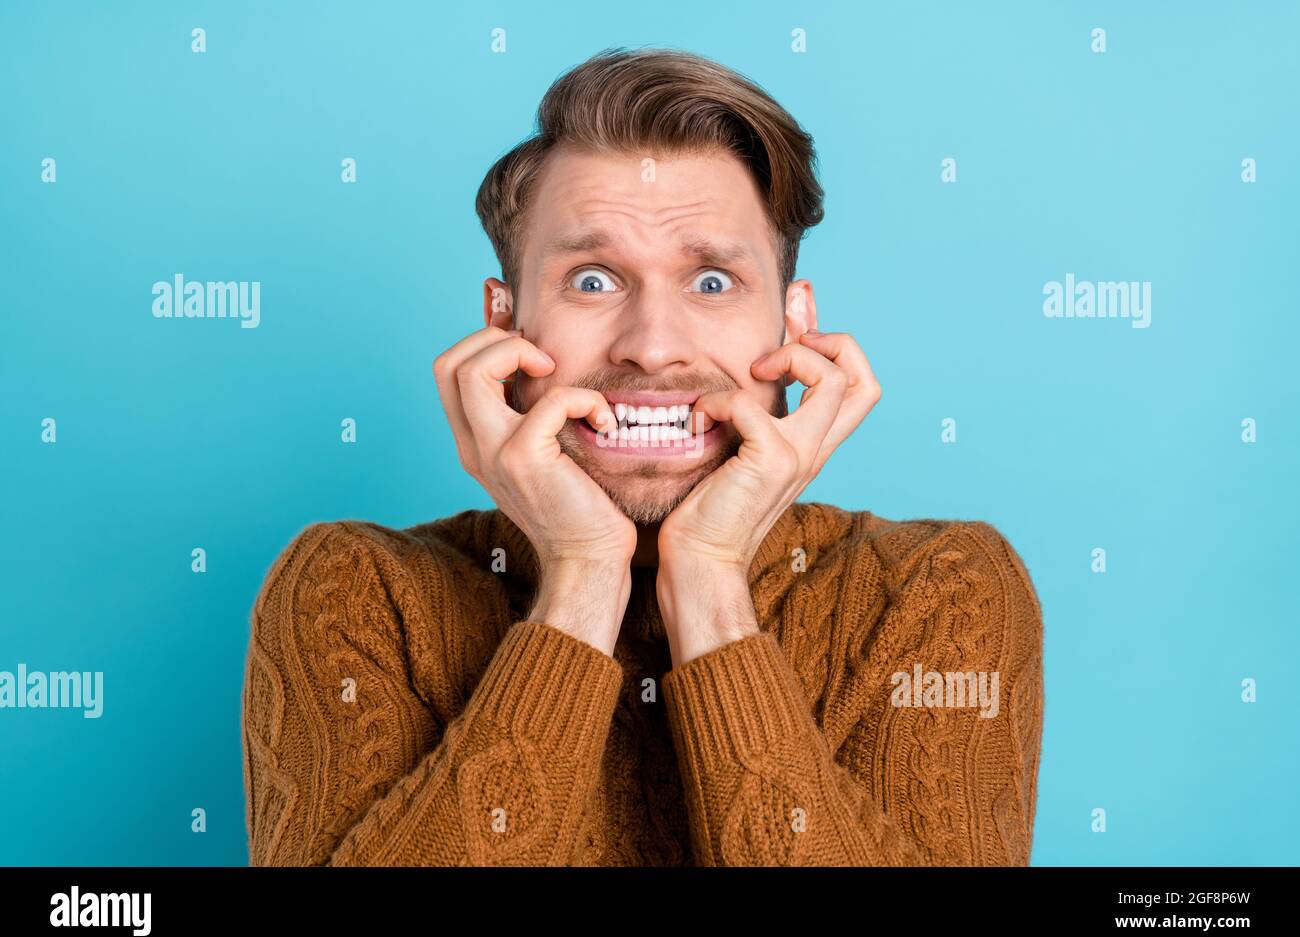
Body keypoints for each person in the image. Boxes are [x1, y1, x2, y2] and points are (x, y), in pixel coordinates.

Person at [241, 46, 1044, 866]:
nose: (653, 348)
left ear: (795, 327)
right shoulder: (357, 589)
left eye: (712, 282)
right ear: (504, 322)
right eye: (592, 281)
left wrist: (709, 582)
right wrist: (583, 574)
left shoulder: (938, 590)